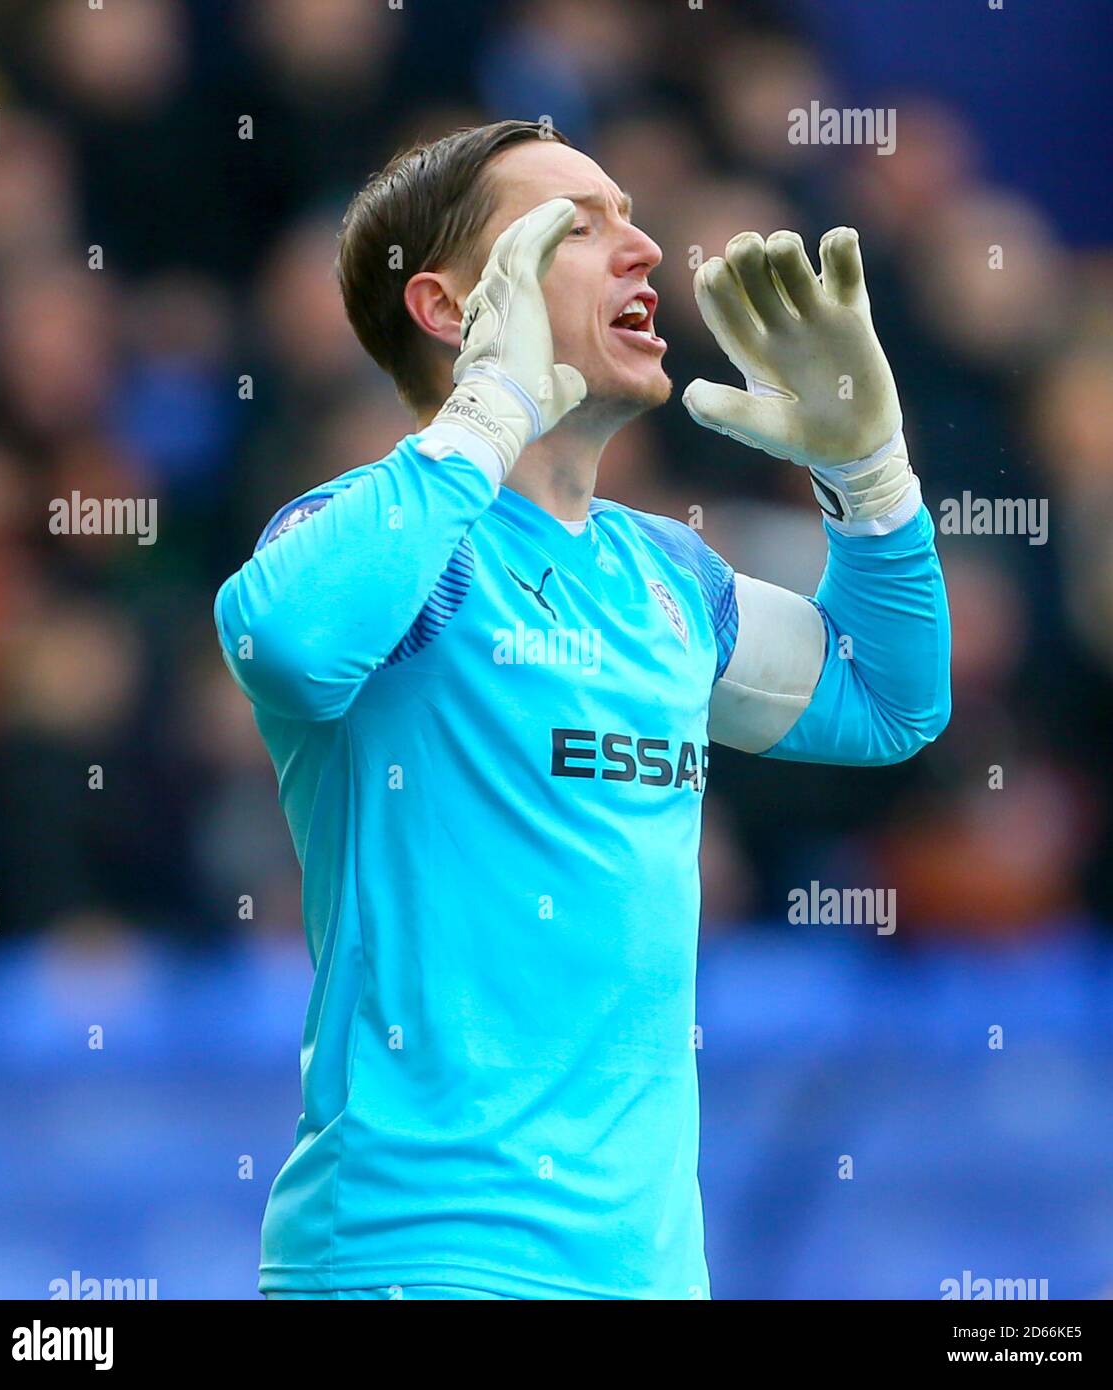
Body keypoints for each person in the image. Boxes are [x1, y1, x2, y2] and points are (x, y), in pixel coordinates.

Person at [214, 119, 951, 1300]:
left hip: (648, 1275)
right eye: (578, 226)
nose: (643, 248)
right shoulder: (391, 540)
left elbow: (889, 702)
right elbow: (291, 646)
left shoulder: (665, 577)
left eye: (630, 215)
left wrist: (870, 475)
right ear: (450, 308)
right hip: (419, 1258)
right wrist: (489, 408)